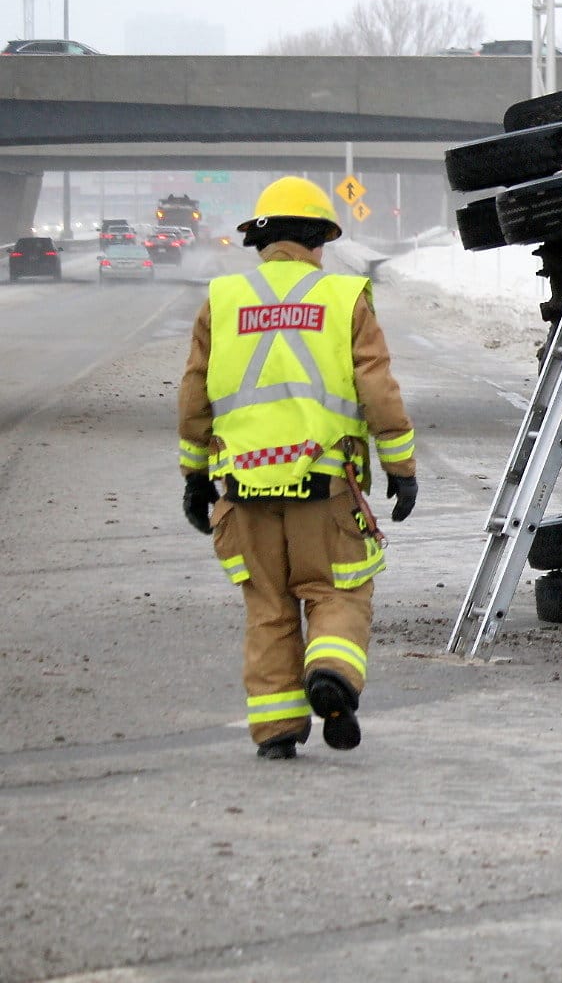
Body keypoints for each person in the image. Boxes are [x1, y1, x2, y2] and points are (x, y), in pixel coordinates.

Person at [177, 177, 419, 758]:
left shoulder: (223, 300)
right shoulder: (343, 297)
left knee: (268, 608)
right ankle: (331, 672)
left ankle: (276, 732)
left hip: (243, 490)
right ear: (319, 238)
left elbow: (194, 394)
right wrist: (400, 467)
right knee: (338, 592)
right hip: (324, 489)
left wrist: (195, 476)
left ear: (260, 240)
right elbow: (378, 389)